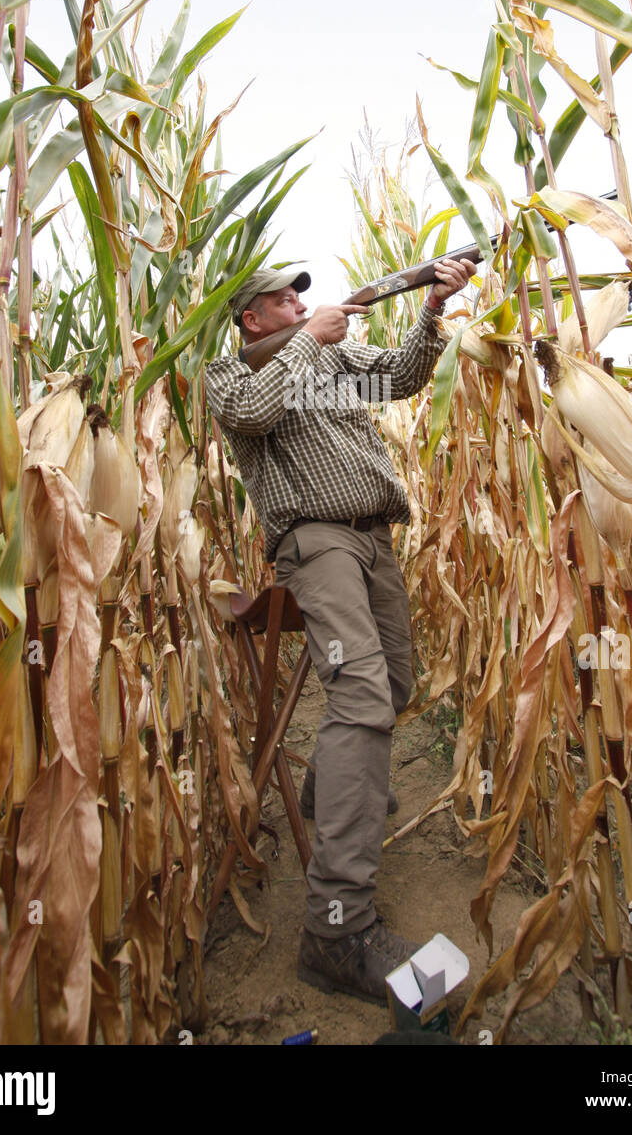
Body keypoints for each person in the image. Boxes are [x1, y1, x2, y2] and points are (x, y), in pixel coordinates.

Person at [204, 254, 476, 1005]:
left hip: (373, 536)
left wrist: (431, 310)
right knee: (358, 694)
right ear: (251, 319)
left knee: (394, 684)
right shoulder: (232, 376)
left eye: (302, 297)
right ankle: (336, 927)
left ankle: (334, 795)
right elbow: (253, 414)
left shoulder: (332, 358)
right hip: (315, 542)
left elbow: (400, 376)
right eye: (282, 300)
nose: (298, 304)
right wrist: (306, 344)